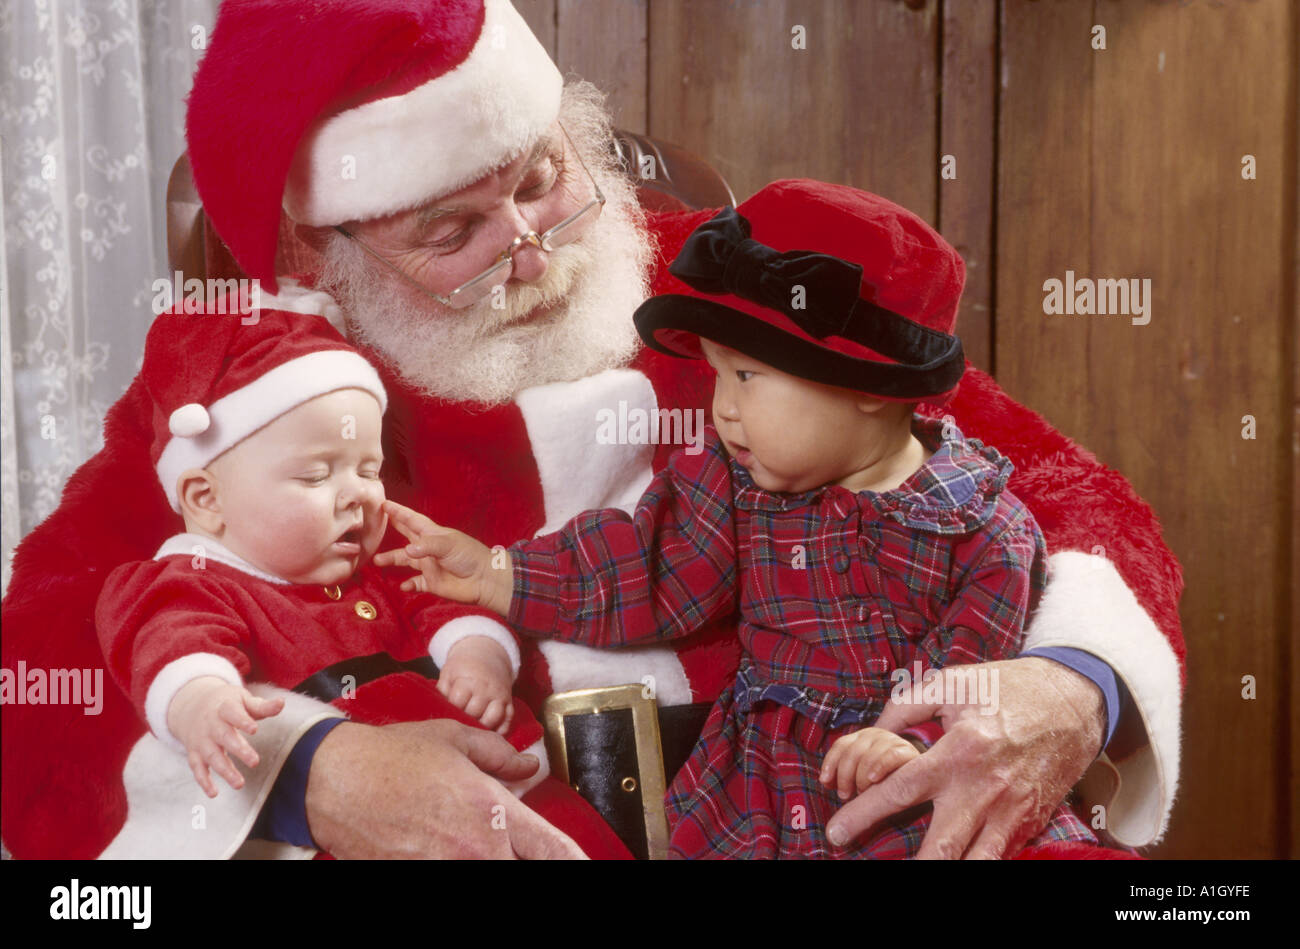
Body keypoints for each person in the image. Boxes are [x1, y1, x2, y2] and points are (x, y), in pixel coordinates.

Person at [0, 0, 1182, 859]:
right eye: (449, 231)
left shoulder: (734, 290)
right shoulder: (257, 383)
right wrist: (309, 773)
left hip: (820, 791)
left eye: (540, 175)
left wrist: (1066, 683)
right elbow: (37, 666)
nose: (530, 248)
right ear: (328, 256)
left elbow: (1065, 490)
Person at [374, 182, 1101, 858]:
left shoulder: (984, 526)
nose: (722, 406)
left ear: (871, 388)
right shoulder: (736, 487)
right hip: (759, 782)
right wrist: (501, 572)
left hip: (903, 783)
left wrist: (915, 739)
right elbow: (651, 565)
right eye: (718, 374)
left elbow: (974, 676)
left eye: (747, 376)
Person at [90, 308, 626, 858]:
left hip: (514, 783)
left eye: (368, 470)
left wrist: (477, 654)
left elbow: (444, 602)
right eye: (317, 475)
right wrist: (201, 701)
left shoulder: (381, 565)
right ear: (207, 500)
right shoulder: (192, 580)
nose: (360, 495)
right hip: (365, 824)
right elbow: (171, 643)